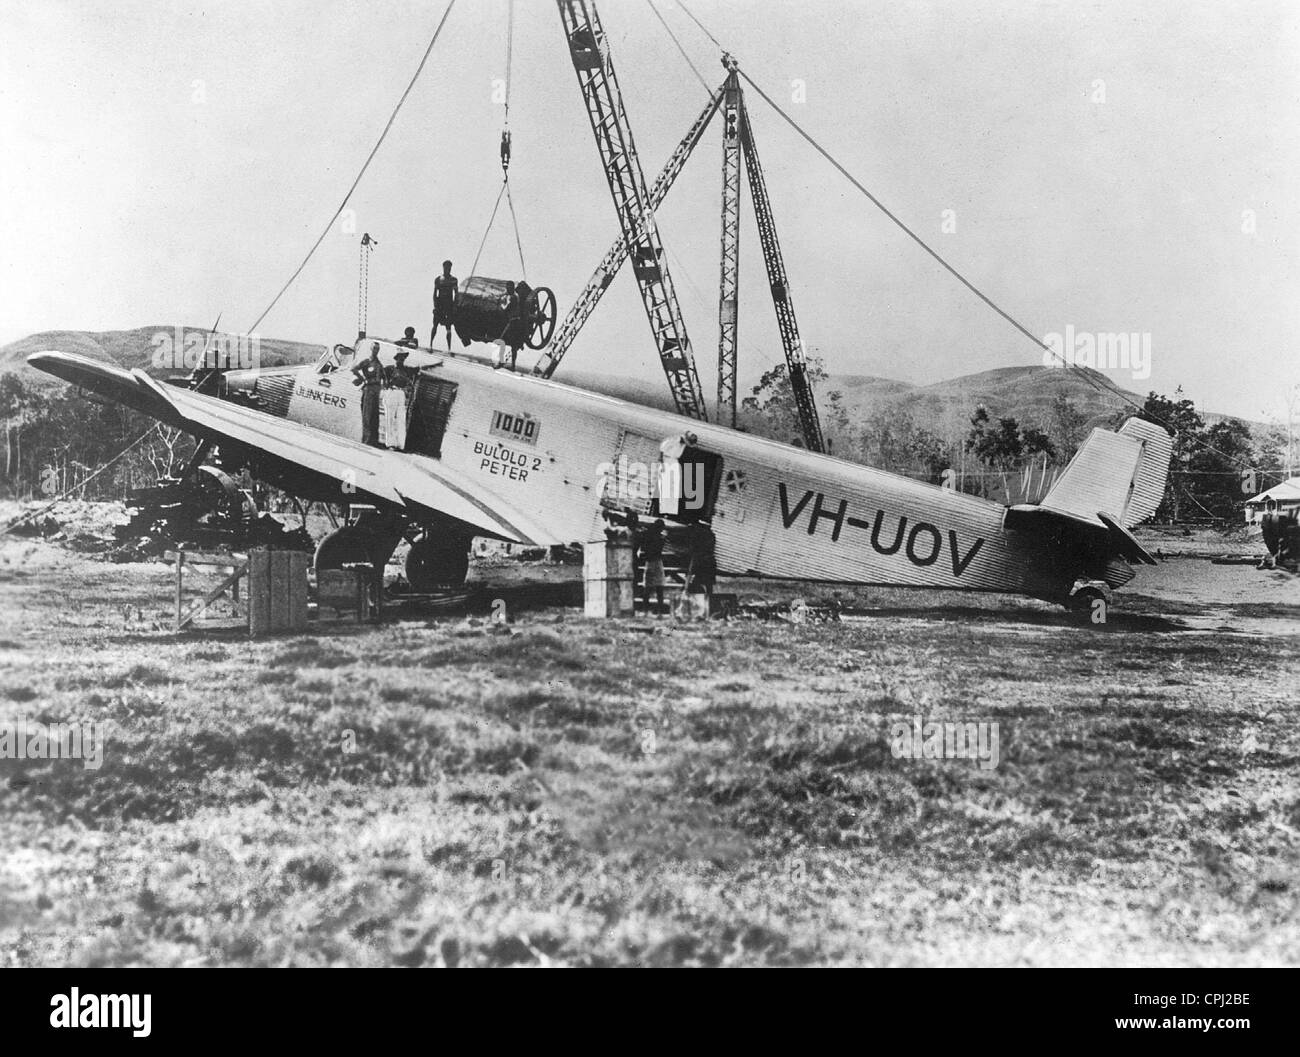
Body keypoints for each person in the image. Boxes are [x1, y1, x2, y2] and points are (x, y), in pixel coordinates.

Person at [351, 342, 384, 447]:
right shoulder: (367, 362)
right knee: (367, 415)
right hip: (369, 389)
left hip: (376, 390)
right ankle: (367, 440)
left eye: (377, 349)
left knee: (375, 416)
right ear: (371, 349)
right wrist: (363, 379)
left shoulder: (379, 363)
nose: (376, 350)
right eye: (374, 348)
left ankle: (374, 440)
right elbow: (354, 369)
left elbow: (382, 376)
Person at [637, 518, 667, 617]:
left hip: (649, 562)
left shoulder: (648, 536)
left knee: (648, 588)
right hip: (657, 562)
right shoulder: (660, 538)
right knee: (659, 587)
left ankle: (645, 611)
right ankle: (660, 612)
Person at [493, 280, 521, 369]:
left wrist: (500, 303)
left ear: (511, 288)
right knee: (514, 345)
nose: (508, 289)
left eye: (509, 288)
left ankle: (500, 363)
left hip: (512, 323)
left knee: (501, 341)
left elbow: (505, 308)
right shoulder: (516, 296)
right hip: (516, 322)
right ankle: (513, 365)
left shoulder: (512, 298)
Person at [432, 260, 458, 350]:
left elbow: (456, 294)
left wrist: (455, 306)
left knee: (448, 327)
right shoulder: (438, 279)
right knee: (435, 324)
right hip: (440, 304)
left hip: (449, 304)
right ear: (443, 268)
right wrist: (435, 305)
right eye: (446, 267)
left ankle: (449, 348)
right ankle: (431, 344)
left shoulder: (453, 280)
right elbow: (435, 293)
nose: (448, 269)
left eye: (449, 268)